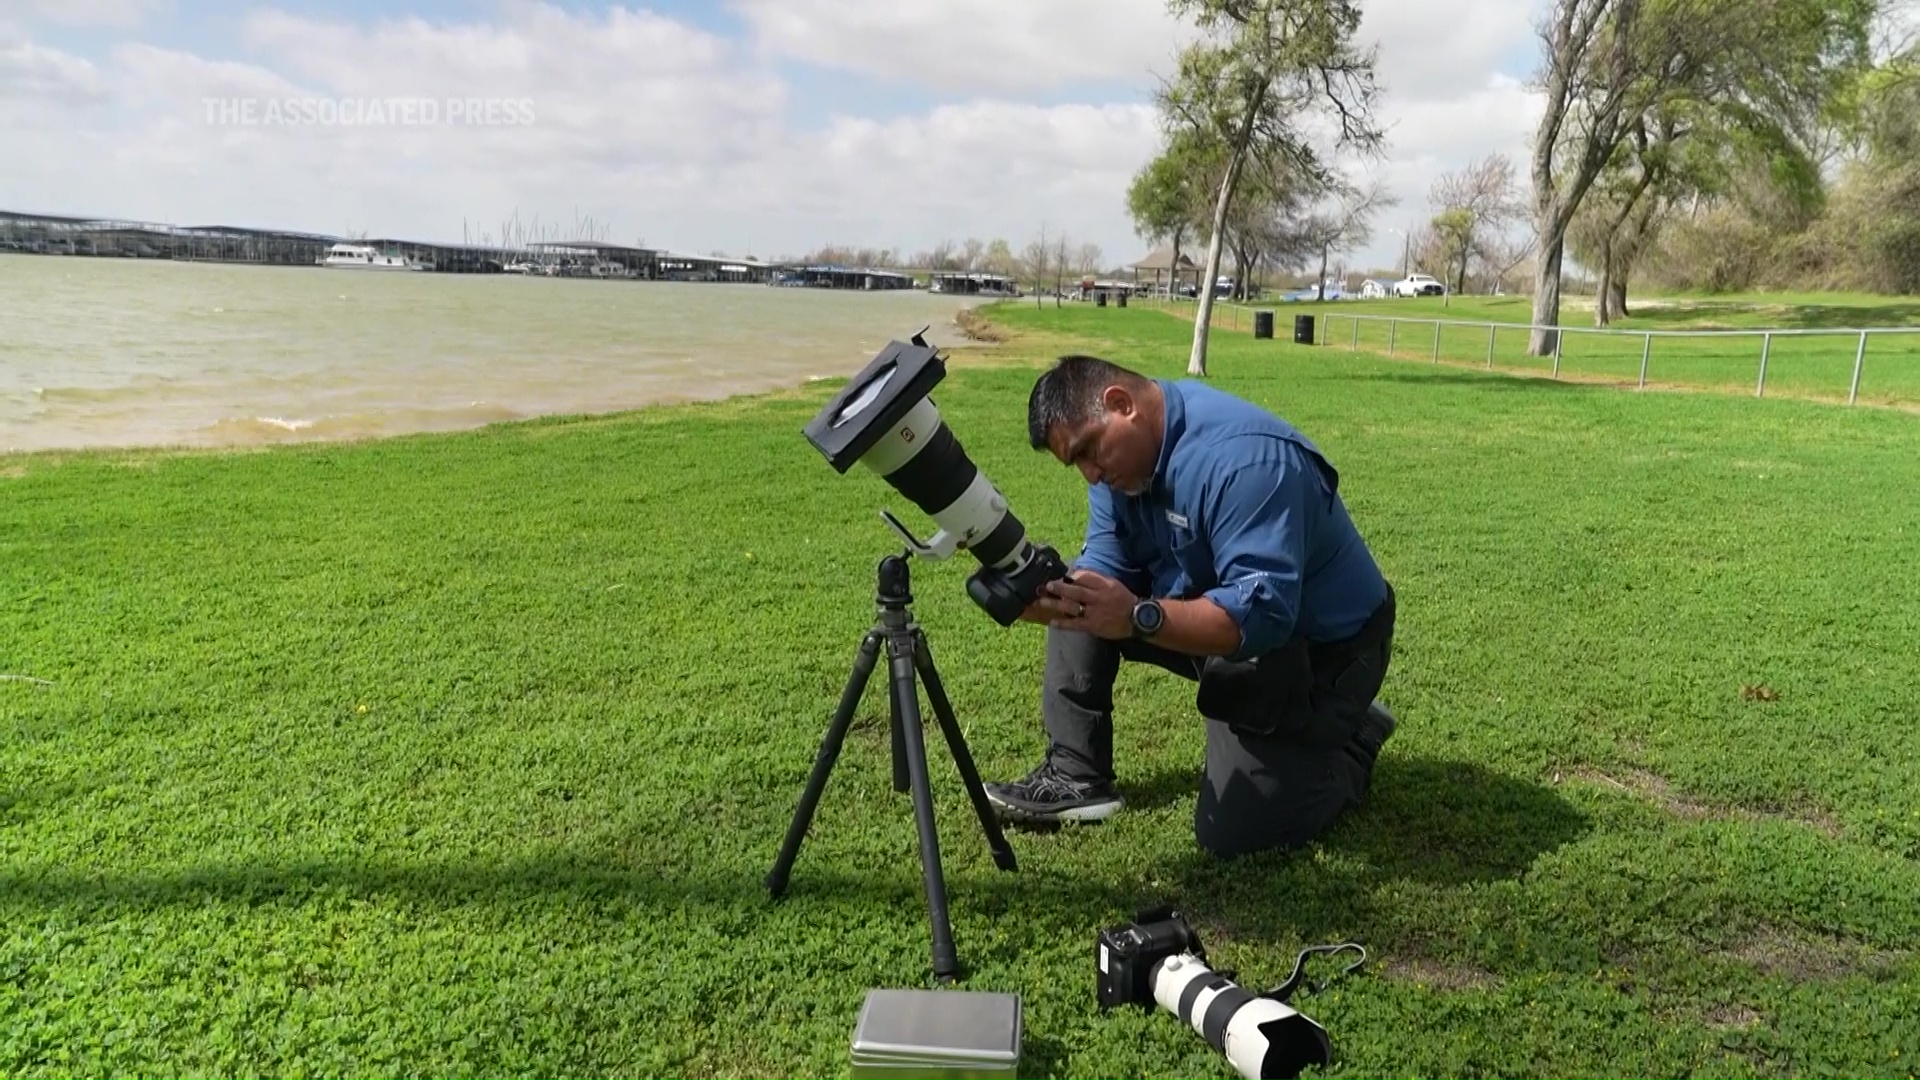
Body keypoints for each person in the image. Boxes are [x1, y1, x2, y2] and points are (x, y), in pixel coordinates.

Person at [982, 354, 1398, 858]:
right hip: (1220, 613)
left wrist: (1137, 616)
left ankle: (1350, 742)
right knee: (1083, 595)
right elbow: (1106, 568)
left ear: (1121, 405)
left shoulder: (1246, 462)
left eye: (1090, 451)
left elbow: (1261, 616)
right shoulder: (1122, 468)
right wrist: (1052, 600)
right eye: (1078, 463)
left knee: (1234, 835)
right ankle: (1077, 775)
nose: (1091, 475)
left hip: (1318, 652)